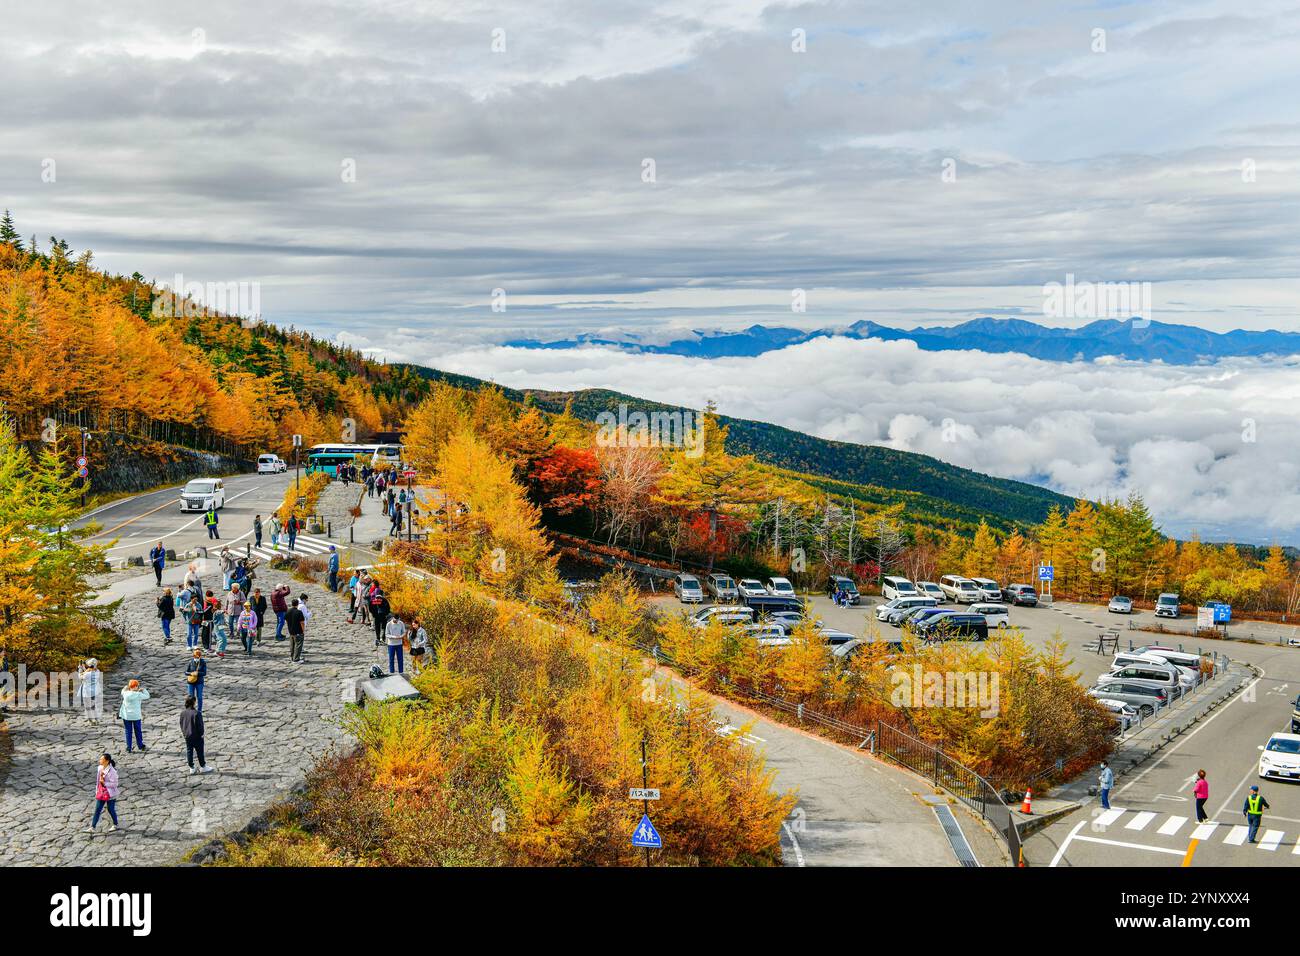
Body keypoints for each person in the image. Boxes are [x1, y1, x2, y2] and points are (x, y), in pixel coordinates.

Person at [84, 753, 120, 833]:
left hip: (110, 794)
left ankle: (115, 824)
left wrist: (105, 783)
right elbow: (97, 781)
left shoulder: (112, 771)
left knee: (111, 810)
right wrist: (97, 790)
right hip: (101, 793)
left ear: (107, 761)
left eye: (101, 759)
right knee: (97, 810)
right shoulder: (100, 768)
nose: (100, 760)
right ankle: (92, 827)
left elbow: (115, 784)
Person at [180, 696, 213, 775]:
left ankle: (191, 767)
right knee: (200, 751)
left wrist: (184, 733)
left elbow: (181, 724)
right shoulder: (197, 713)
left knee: (189, 751)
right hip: (197, 736)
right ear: (194, 702)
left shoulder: (183, 713)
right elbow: (200, 726)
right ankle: (203, 766)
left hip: (187, 736)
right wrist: (201, 734)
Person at [119, 679, 150, 753]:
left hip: (127, 716)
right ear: (136, 686)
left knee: (128, 731)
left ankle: (128, 747)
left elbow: (122, 691)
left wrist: (125, 688)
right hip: (136, 716)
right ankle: (140, 745)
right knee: (138, 731)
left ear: (130, 687)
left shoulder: (125, 693)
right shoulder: (138, 695)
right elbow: (147, 696)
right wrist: (144, 690)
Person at [286, 598, 306, 664]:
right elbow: (302, 623)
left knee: (292, 645)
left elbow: (286, 620)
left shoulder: (288, 611)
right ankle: (296, 659)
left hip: (291, 631)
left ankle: (292, 657)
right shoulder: (299, 612)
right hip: (298, 631)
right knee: (298, 645)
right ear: (297, 604)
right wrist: (303, 630)